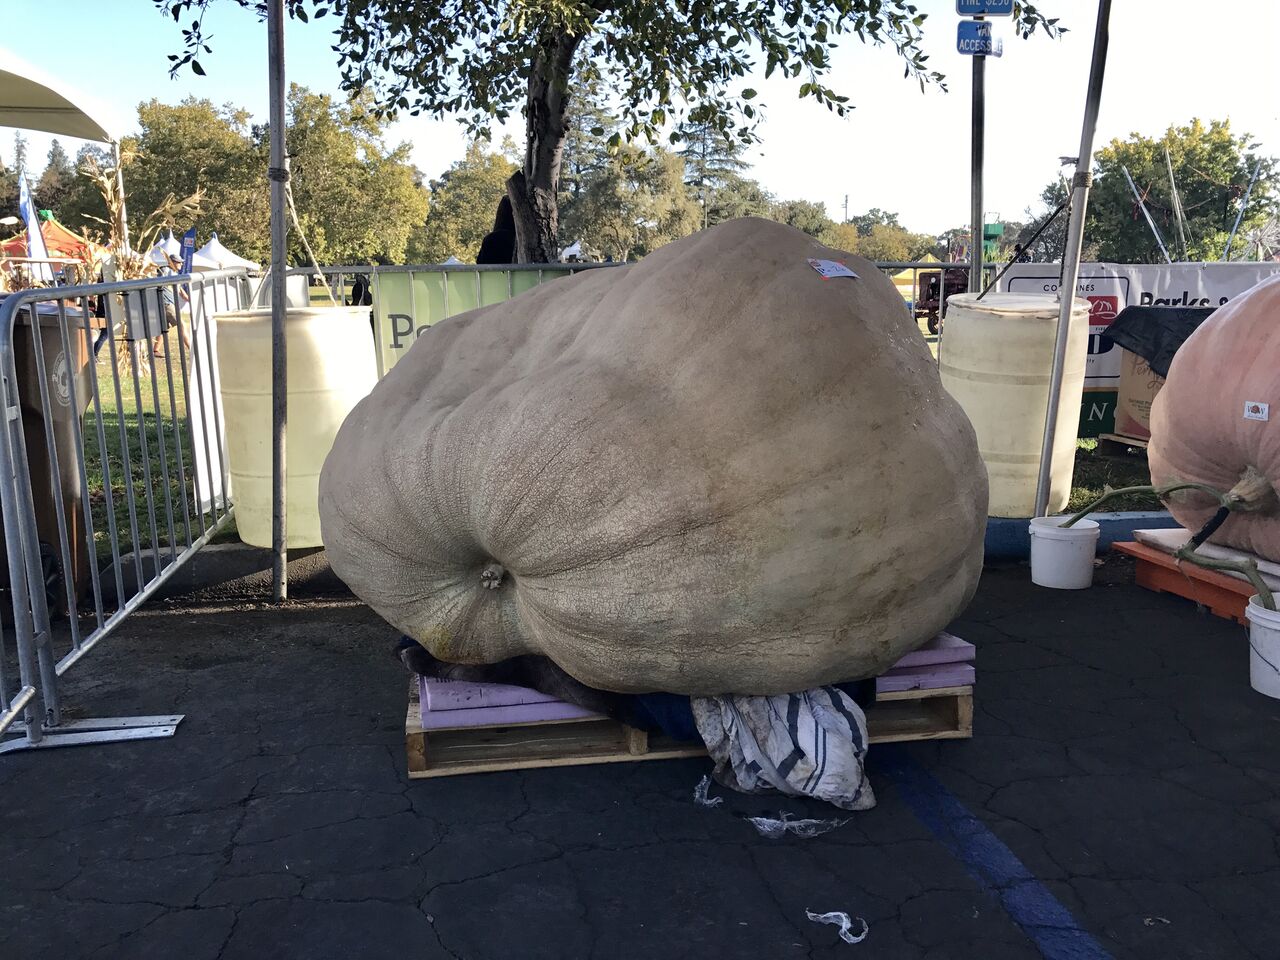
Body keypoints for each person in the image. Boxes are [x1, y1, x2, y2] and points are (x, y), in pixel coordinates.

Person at [154, 252, 192, 359]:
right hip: (166, 303)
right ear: (172, 262)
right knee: (182, 324)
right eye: (179, 262)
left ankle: (155, 350)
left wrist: (190, 300)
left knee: (163, 329)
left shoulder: (175, 275)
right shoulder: (166, 270)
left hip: (168, 303)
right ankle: (191, 348)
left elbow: (180, 291)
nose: (181, 264)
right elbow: (158, 280)